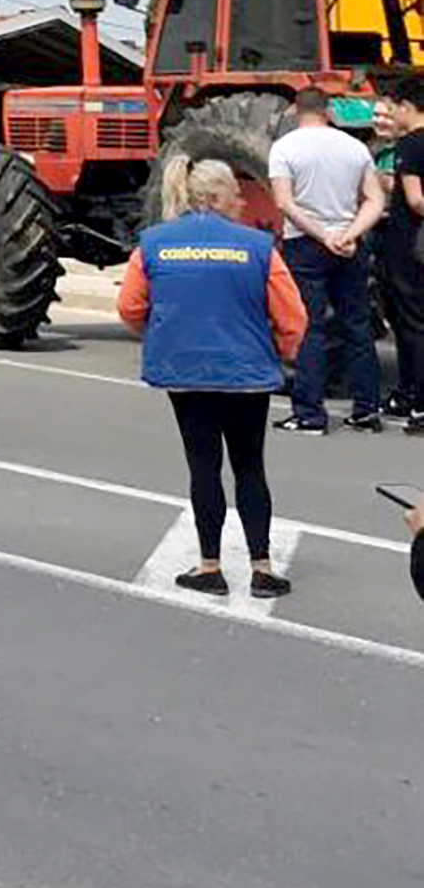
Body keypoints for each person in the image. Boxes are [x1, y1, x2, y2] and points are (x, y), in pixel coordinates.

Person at [117, 157, 307, 598]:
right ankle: (262, 569)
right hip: (246, 375)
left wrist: (164, 334)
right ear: (216, 196)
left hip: (185, 374)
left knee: (203, 467)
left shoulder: (153, 244)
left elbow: (129, 307)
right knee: (250, 467)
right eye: (237, 195)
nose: (243, 202)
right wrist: (279, 351)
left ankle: (210, 566)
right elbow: (292, 316)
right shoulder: (259, 248)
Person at [269, 86, 387, 433]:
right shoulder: (355, 147)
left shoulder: (284, 148)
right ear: (329, 111)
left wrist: (323, 236)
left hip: (305, 245)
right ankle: (367, 410)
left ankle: (310, 413)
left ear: (295, 110)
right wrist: (349, 234)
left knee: (310, 328)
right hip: (350, 247)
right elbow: (374, 200)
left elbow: (284, 203)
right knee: (357, 326)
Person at [379, 81, 424, 429]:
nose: (391, 114)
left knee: (411, 324)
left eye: (393, 107)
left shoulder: (410, 144)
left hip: (409, 244)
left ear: (407, 106)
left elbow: (415, 199)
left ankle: (415, 397)